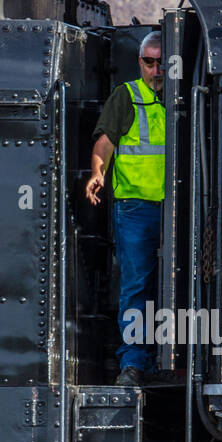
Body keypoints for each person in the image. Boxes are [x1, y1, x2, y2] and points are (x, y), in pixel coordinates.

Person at [85, 31, 165, 388]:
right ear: (139, 63)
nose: (155, 69)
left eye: (161, 62)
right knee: (137, 285)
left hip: (178, 208)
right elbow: (105, 142)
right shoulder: (128, 97)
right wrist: (97, 172)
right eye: (149, 62)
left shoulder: (186, 95)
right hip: (137, 208)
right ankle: (134, 362)